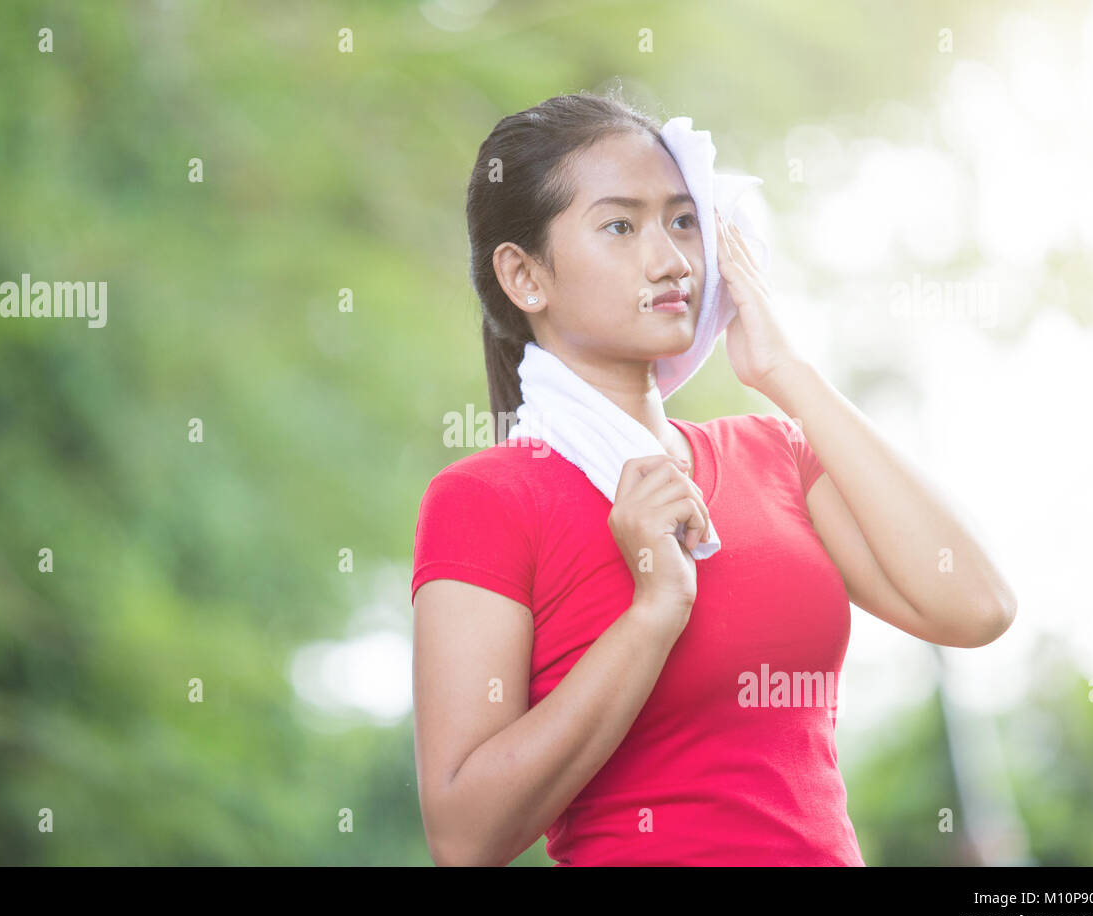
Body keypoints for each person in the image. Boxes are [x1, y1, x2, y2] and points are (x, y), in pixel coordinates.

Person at [411, 90, 1017, 867]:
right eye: (621, 226)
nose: (669, 260)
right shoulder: (489, 499)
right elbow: (465, 838)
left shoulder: (774, 453)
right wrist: (653, 612)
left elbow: (977, 607)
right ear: (525, 276)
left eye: (683, 220)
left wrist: (785, 371)